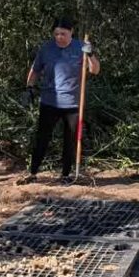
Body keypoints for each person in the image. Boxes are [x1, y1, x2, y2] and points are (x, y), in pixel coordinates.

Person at [24, 18, 100, 181]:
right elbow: (35, 70)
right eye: (56, 34)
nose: (59, 37)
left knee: (70, 141)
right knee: (42, 138)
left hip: (73, 104)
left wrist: (90, 54)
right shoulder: (46, 49)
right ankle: (33, 172)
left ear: (71, 32)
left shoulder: (81, 48)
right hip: (49, 101)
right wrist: (29, 87)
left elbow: (95, 70)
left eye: (63, 34)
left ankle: (65, 175)